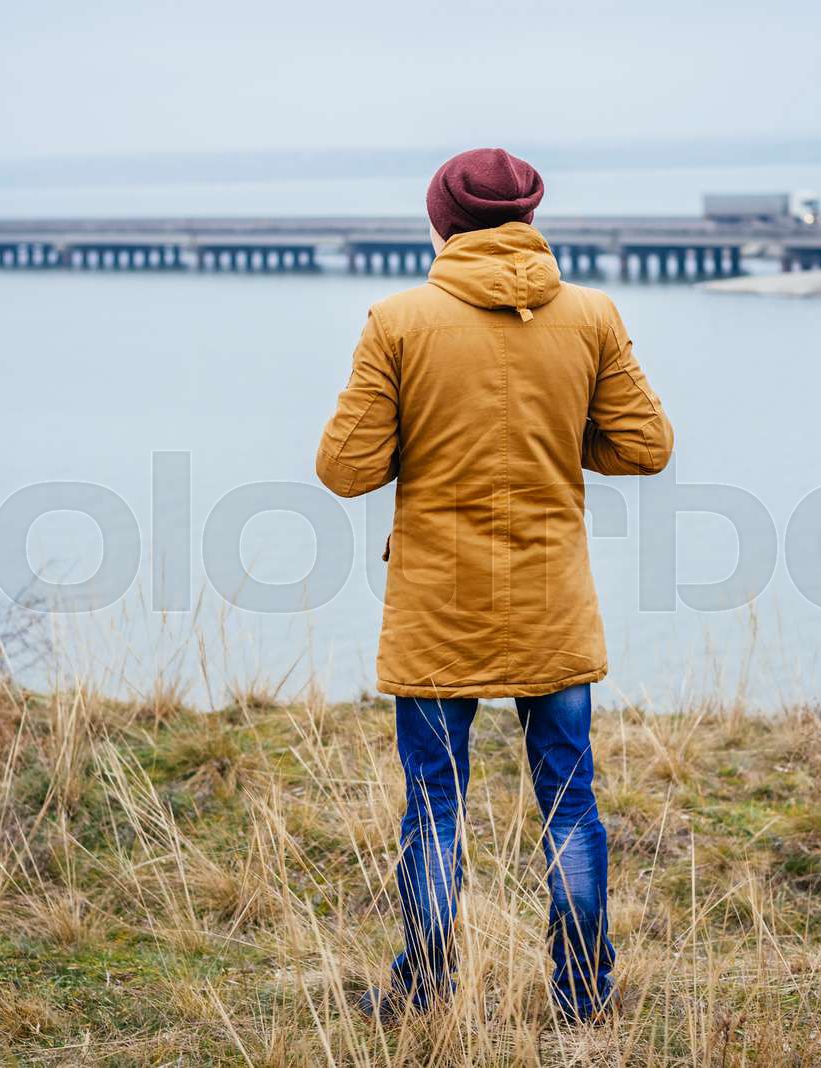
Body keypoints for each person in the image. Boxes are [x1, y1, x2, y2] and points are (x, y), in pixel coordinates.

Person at [315, 147, 674, 1024]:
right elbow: (646, 445)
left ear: (442, 218)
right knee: (570, 800)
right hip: (552, 598)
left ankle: (428, 992)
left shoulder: (398, 320)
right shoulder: (592, 316)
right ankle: (584, 998)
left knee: (435, 803)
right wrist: (555, 441)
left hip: (440, 607)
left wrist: (429, 442)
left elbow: (344, 470)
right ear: (529, 220)